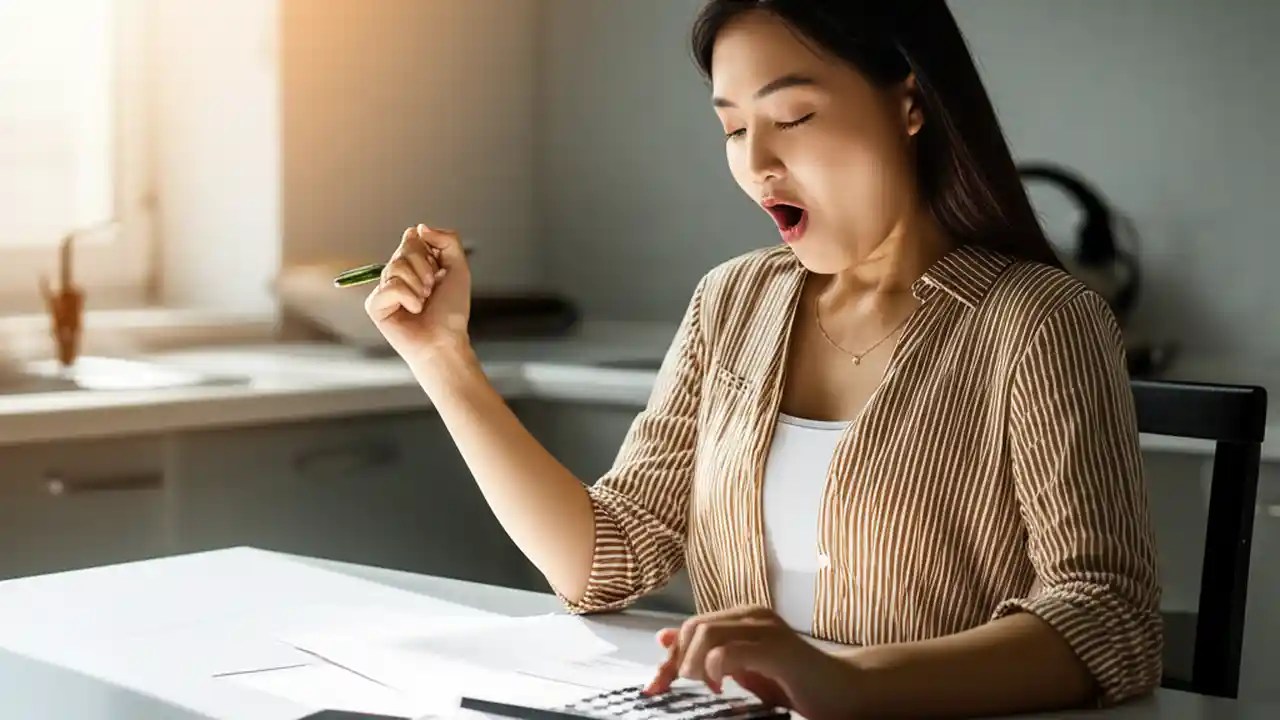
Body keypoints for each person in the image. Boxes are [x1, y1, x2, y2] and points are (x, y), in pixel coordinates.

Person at [364, 1, 1162, 717]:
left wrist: (850, 684)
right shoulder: (731, 301)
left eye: (794, 114)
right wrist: (442, 356)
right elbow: (606, 560)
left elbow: (1107, 616)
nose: (756, 163)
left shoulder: (1042, 321)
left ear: (911, 102)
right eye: (734, 129)